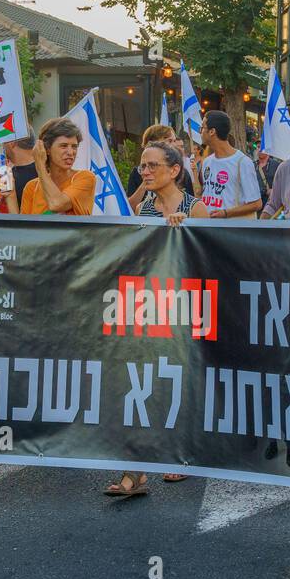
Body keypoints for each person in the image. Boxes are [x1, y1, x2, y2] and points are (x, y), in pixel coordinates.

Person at [105, 142, 209, 498]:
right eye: (142, 166)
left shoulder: (196, 208)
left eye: (151, 166)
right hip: (144, 305)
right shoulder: (142, 208)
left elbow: (207, 262)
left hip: (183, 309)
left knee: (175, 382)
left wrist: (185, 231)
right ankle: (134, 472)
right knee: (137, 383)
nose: (144, 172)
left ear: (175, 170)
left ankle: (180, 454)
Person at [20, 117, 97, 215]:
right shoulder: (32, 187)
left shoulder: (85, 177)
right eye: (63, 146)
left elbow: (56, 204)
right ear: (47, 149)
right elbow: (22, 227)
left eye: (74, 146)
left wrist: (40, 165)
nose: (70, 152)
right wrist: (10, 196)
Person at [196, 111, 263, 219]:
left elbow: (256, 204)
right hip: (209, 229)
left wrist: (226, 213)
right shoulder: (207, 162)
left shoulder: (242, 162)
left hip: (233, 231)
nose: (200, 132)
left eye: (202, 128)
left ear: (212, 131)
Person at [126, 124, 190, 209]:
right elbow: (129, 208)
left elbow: (190, 204)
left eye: (174, 141)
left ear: (174, 171)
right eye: (169, 141)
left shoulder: (182, 171)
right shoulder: (138, 173)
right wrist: (146, 181)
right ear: (153, 143)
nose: (174, 145)